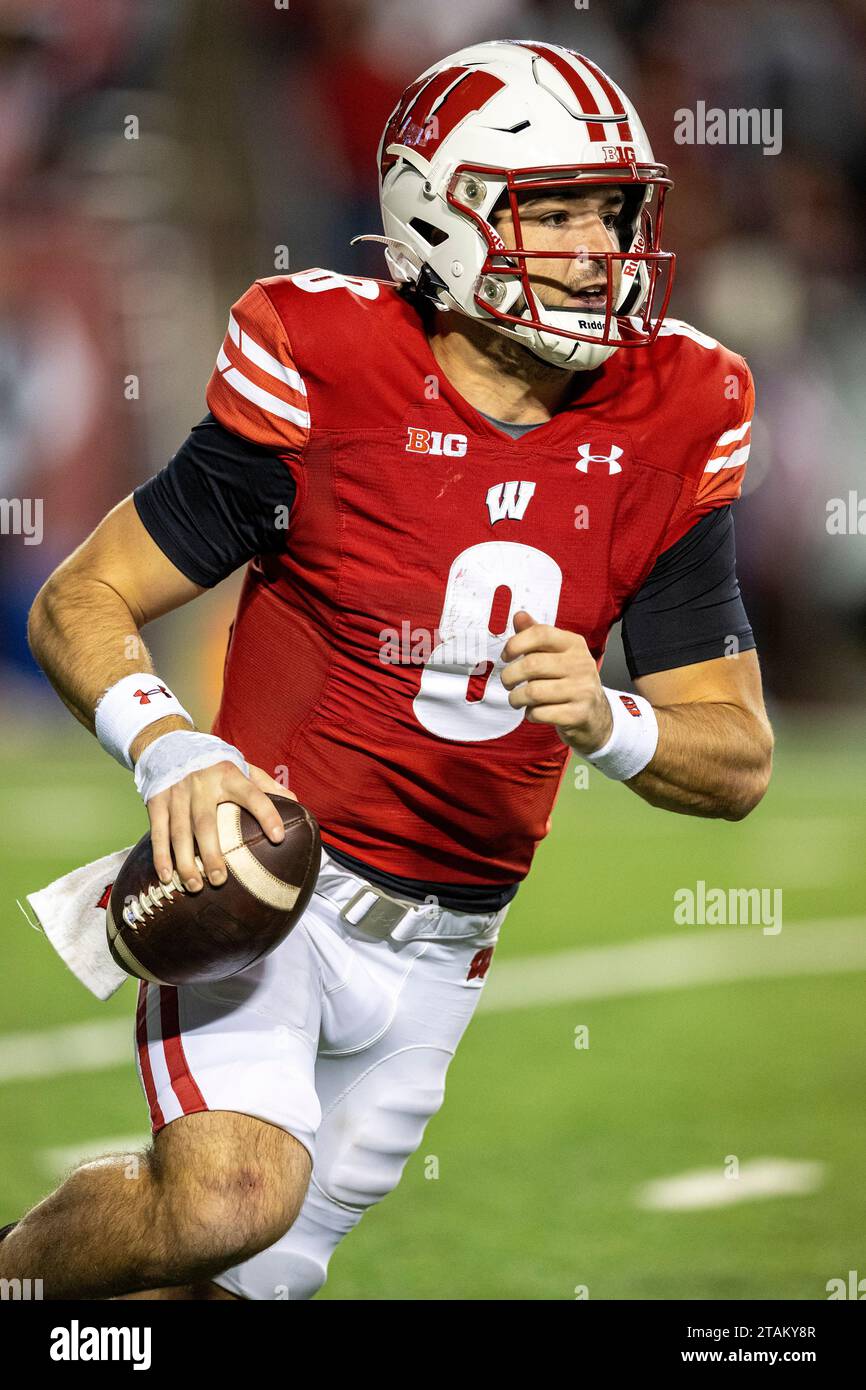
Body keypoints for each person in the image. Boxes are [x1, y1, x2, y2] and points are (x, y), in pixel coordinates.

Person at [4, 39, 772, 1300]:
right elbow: (83, 595)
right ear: (441, 215)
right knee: (224, 1201)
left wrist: (610, 719)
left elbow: (734, 760)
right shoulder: (324, 356)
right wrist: (171, 744)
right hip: (266, 884)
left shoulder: (678, 403)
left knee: (208, 1285)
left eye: (612, 209)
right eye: (555, 210)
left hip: (446, 949)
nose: (597, 247)